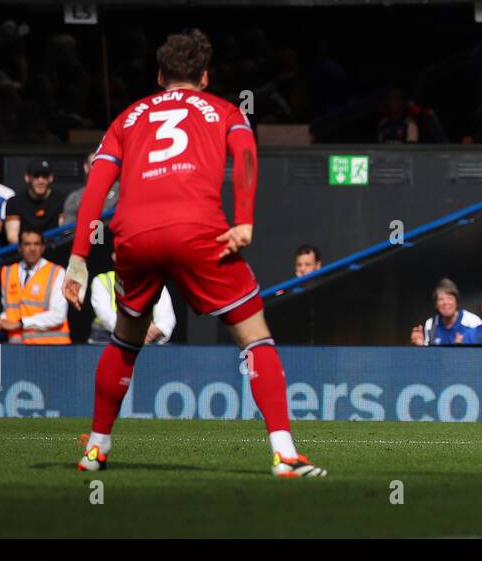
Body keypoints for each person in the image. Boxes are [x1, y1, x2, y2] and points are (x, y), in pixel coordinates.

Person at [63, 30, 327, 478]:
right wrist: (243, 219)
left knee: (126, 341)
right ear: (204, 77)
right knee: (255, 338)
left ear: (159, 76)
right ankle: (284, 453)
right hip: (198, 230)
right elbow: (245, 155)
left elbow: (96, 188)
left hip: (135, 234)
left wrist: (79, 259)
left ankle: (95, 449)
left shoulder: (128, 117)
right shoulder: (225, 110)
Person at [0, 229, 71, 344]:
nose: (32, 248)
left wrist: (21, 323)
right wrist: (0, 322)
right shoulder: (8, 272)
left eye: (36, 244)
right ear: (19, 248)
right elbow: (10, 310)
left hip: (52, 348)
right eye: (27, 244)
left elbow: (58, 315)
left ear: (43, 247)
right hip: (18, 347)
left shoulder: (56, 272)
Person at [90, 265, 175, 345]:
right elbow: (105, 314)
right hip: (106, 338)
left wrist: (158, 329)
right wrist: (135, 330)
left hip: (147, 338)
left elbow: (166, 317)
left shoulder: (153, 280)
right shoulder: (103, 280)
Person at [4, 159, 64, 245]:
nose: (40, 181)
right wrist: (33, 248)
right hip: (25, 252)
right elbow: (12, 237)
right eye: (36, 176)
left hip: (54, 249)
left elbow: (65, 231)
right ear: (27, 178)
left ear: (51, 178)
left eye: (44, 176)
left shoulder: (61, 200)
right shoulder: (14, 202)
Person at [410, 278, 482, 344]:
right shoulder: (431, 324)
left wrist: (462, 349)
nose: (445, 303)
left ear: (457, 302)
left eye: (449, 298)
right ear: (436, 305)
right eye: (441, 299)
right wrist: (421, 346)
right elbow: (429, 356)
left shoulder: (473, 322)